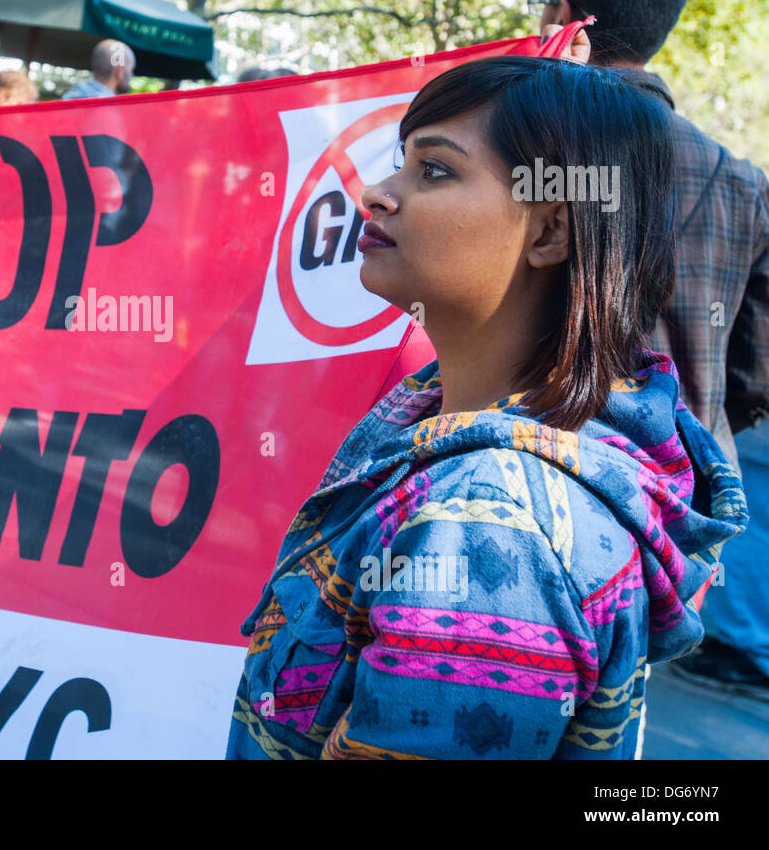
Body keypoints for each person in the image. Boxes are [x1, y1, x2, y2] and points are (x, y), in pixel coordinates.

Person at [226, 56, 746, 759]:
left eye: (434, 170)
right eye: (400, 163)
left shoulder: (487, 527)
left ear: (549, 234)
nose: (378, 195)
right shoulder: (483, 438)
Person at [535, 0, 769, 697]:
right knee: (612, 709)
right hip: (677, 509)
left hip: (542, 471)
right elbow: (754, 374)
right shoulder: (744, 184)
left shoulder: (539, 142)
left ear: (568, 16)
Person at [61, 39, 135, 100]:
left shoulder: (67, 98)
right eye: (130, 70)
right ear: (118, 71)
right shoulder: (109, 109)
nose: (132, 76)